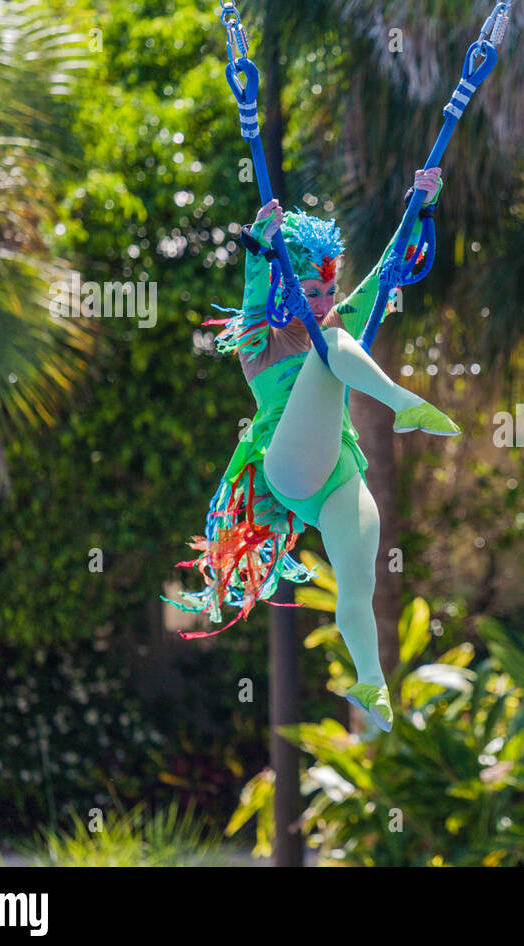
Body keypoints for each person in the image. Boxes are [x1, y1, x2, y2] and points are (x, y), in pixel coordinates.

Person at [164, 168, 459, 732]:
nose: (324, 301)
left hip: (339, 476)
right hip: (290, 468)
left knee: (359, 575)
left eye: (329, 290)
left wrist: (420, 204)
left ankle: (370, 680)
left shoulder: (336, 321)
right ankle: (403, 403)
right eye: (312, 291)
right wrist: (259, 244)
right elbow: (254, 298)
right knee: (331, 346)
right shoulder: (261, 344)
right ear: (286, 289)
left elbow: (386, 270)